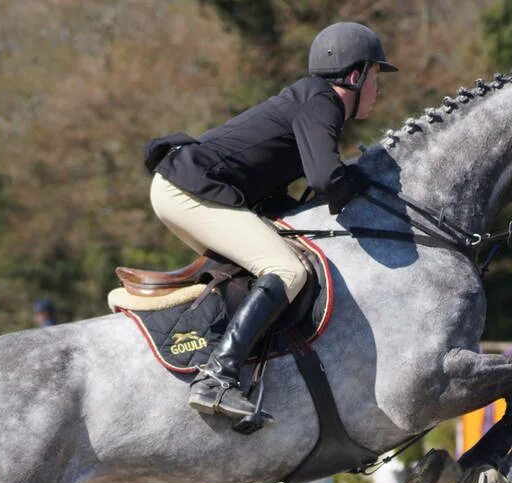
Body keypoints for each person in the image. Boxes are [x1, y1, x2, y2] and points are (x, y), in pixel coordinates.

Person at [145, 22, 396, 425]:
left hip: (182, 188)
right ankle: (216, 376)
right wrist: (367, 184)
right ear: (354, 76)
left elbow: (291, 191)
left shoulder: (311, 100)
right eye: (376, 77)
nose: (378, 90)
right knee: (286, 268)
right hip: (187, 190)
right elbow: (325, 180)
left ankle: (233, 363)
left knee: (269, 265)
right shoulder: (322, 102)